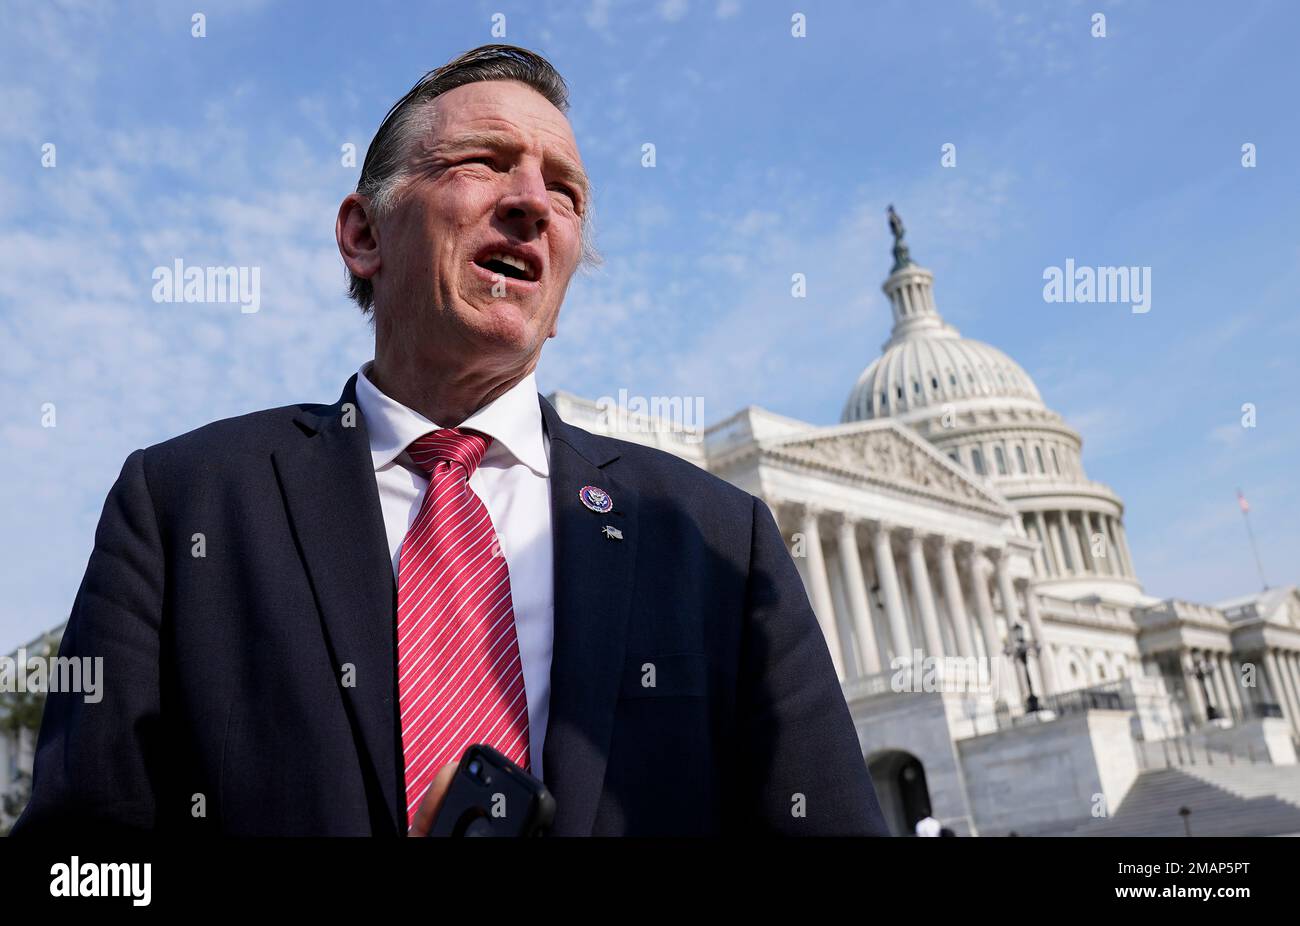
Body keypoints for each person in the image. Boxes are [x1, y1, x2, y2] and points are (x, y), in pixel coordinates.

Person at [14, 44, 887, 837]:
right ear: (362, 235)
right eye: (484, 162)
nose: (533, 205)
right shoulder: (183, 503)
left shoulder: (712, 537)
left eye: (566, 192)